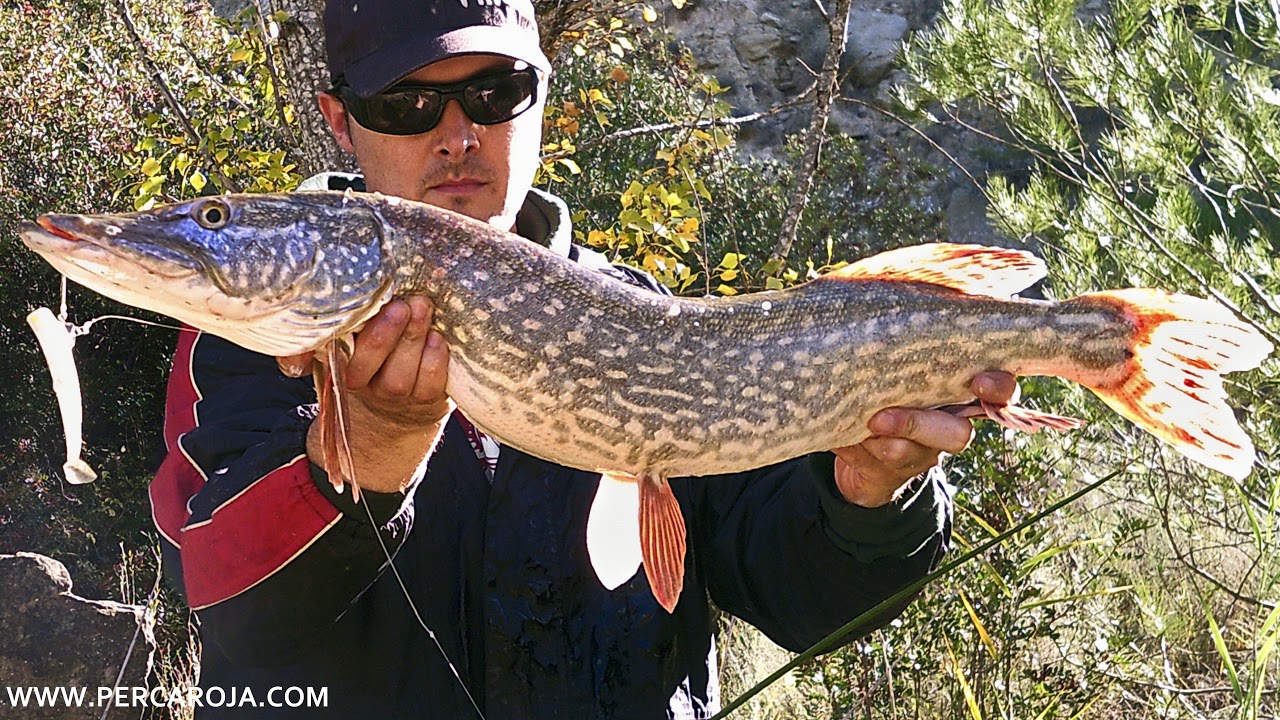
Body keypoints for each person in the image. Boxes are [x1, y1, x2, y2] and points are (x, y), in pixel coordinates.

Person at [149, 0, 1018, 717]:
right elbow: (231, 610)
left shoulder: (645, 316)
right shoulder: (248, 343)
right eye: (406, 105)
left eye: (495, 92)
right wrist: (366, 453)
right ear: (340, 120)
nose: (456, 135)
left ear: (539, 99)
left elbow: (805, 604)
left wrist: (868, 494)